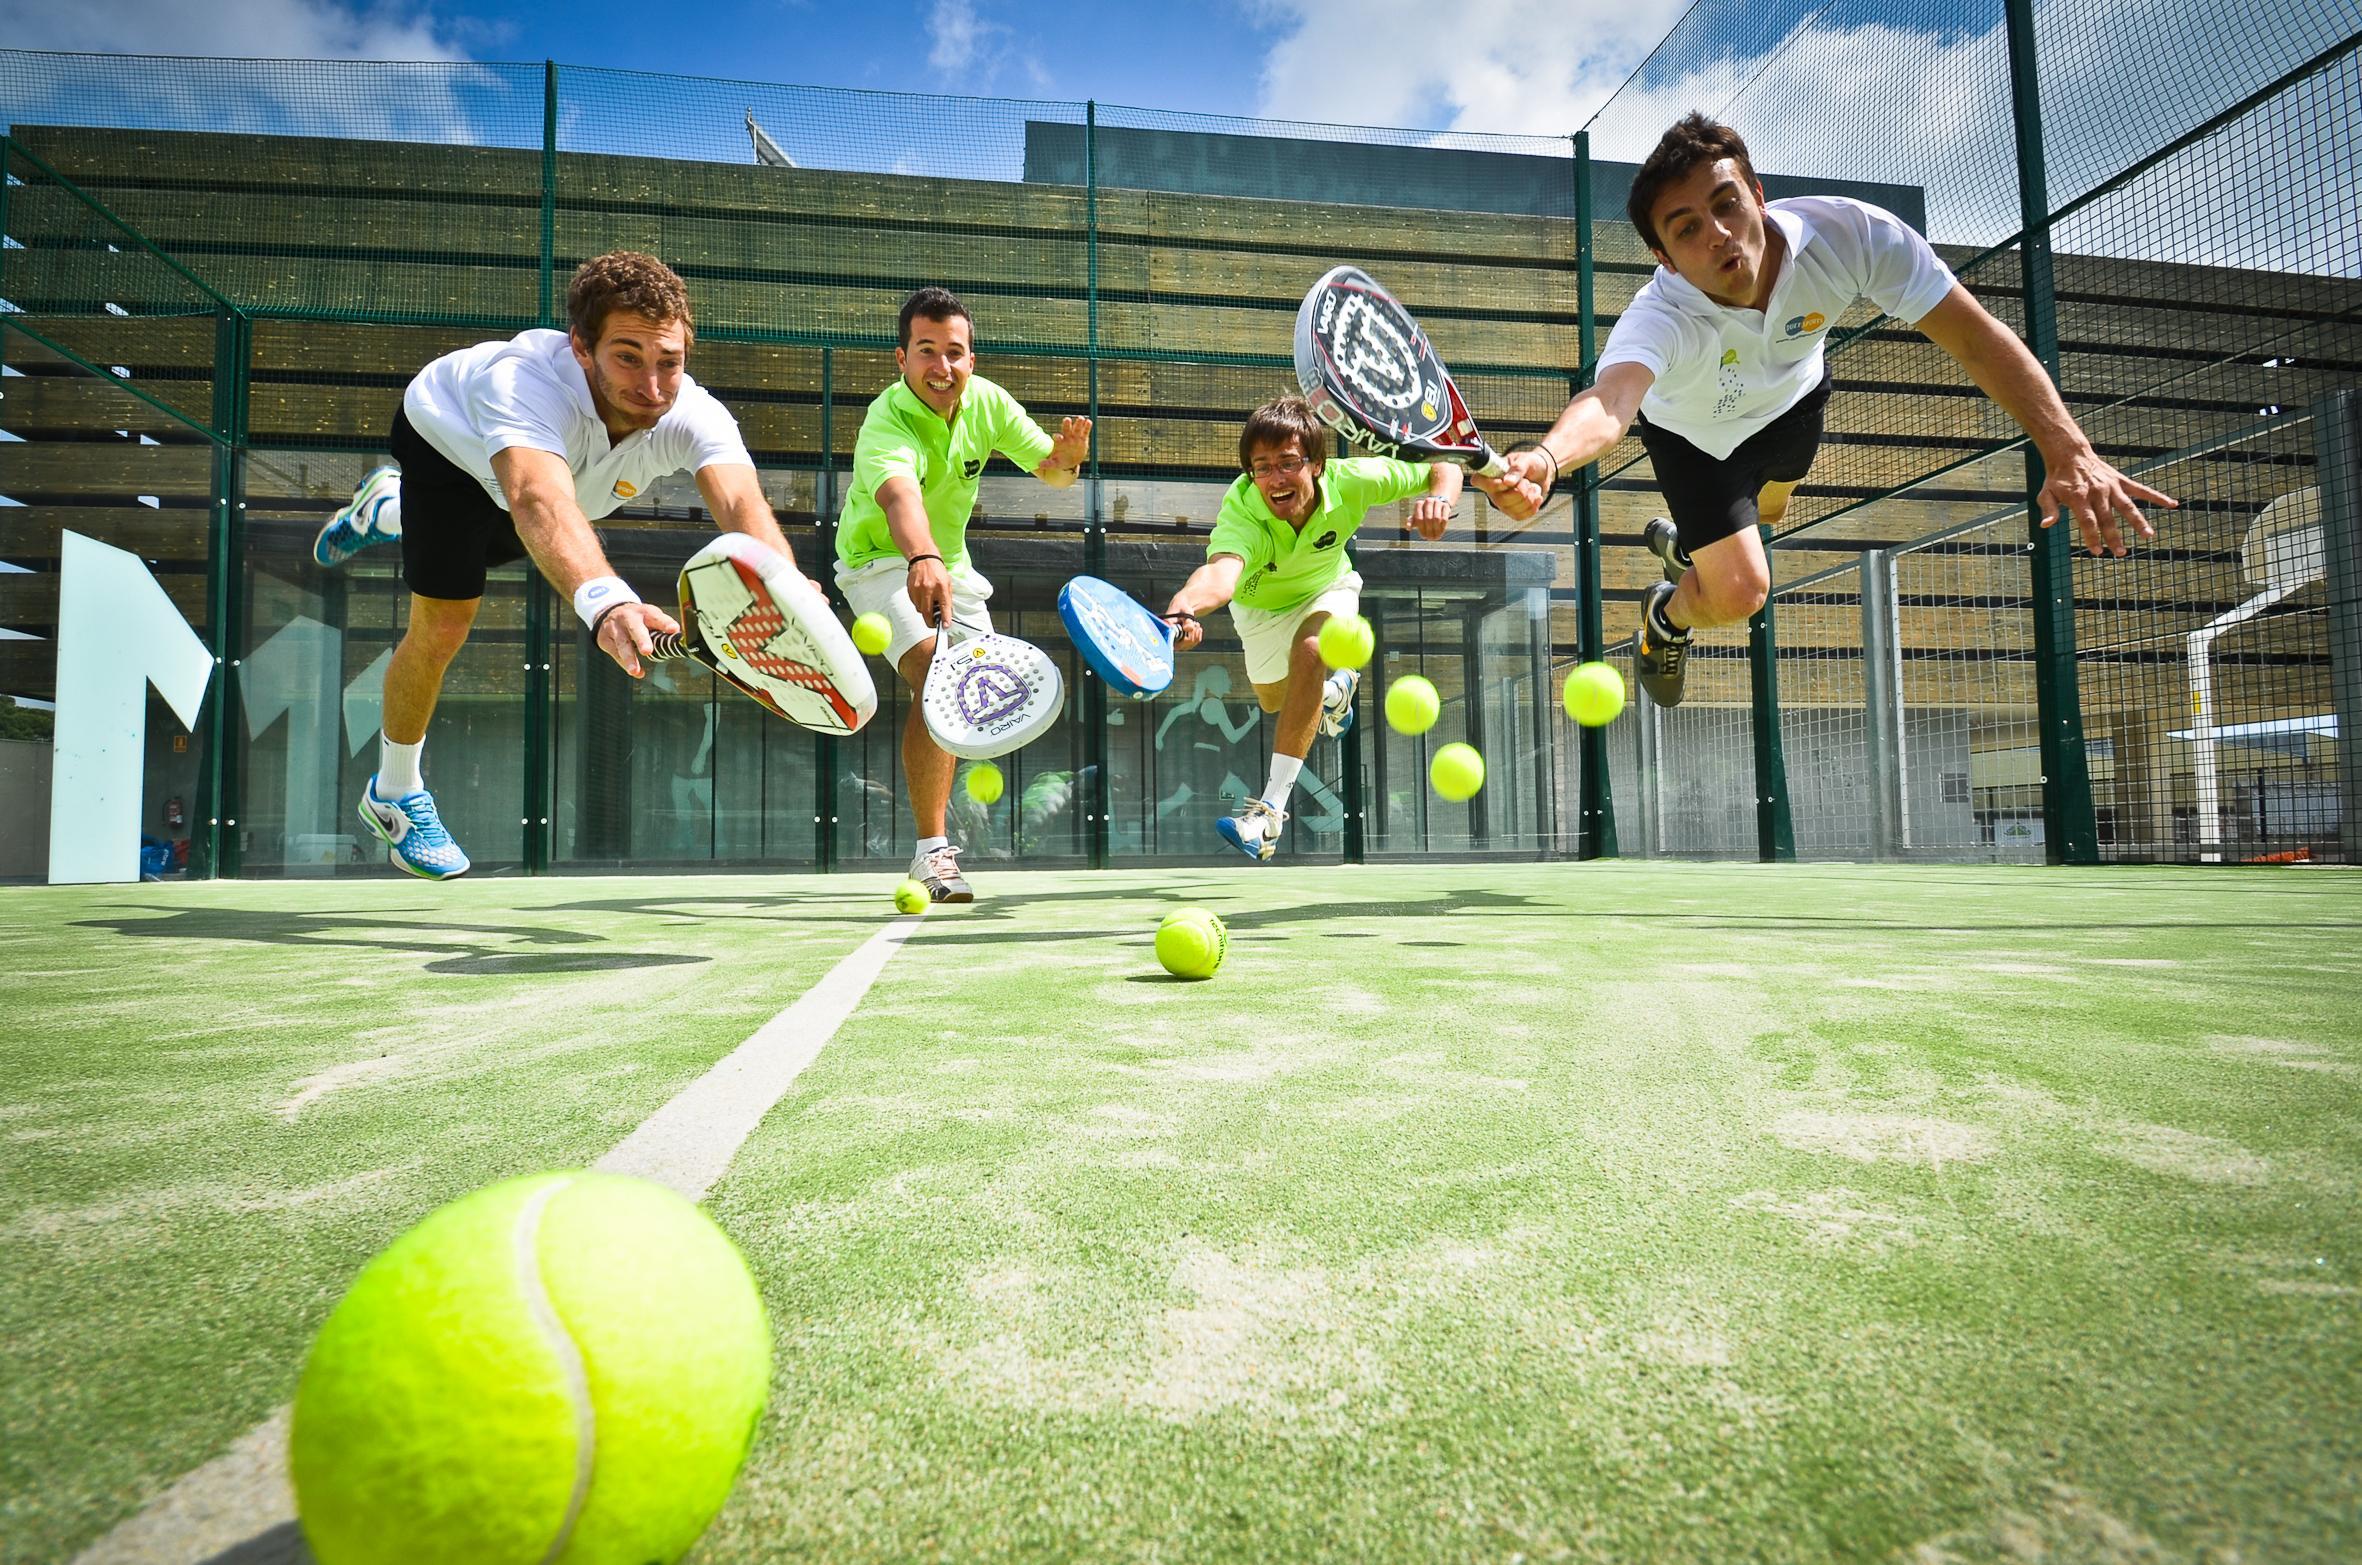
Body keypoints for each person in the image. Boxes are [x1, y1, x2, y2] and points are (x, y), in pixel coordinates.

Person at [1481, 113, 2174, 706]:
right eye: (1688, 229)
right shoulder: (1659, 317)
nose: (1718, 233)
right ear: (1663, 257)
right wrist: (1546, 457)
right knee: (1745, 590)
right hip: (1696, 442)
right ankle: (1669, 612)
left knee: (1770, 515)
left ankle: (1689, 545)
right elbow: (1611, 401)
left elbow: (1974, 336)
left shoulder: (1851, 236)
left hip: (1794, 406)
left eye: (1726, 203)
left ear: (1758, 193)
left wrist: (2069, 448)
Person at [311, 251, 809, 879]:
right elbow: (535, 498)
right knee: (444, 623)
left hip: (559, 486)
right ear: (581, 346)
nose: (652, 387)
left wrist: (785, 588)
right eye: (627, 356)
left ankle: (387, 508)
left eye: (670, 362)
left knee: (516, 541)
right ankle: (395, 793)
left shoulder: (692, 411)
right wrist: (608, 603)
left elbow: (742, 501)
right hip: (450, 447)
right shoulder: (521, 383)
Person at [834, 286, 1091, 903]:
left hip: (953, 569)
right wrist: (921, 557)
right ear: (902, 359)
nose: (941, 367)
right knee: (936, 675)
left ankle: (955, 815)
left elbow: (1051, 472)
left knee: (971, 696)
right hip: (877, 561)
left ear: (971, 360)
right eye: (927, 351)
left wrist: (1071, 459)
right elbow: (900, 497)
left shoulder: (989, 403)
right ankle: (932, 853)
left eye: (954, 352)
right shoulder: (885, 418)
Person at [1159, 395, 1463, 861]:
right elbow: (1220, 574)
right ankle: (1332, 694)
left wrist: (1440, 500)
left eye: (1287, 463)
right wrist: (1184, 608)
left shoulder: (1356, 480)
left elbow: (1444, 460)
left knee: (1312, 650)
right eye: (1261, 468)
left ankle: (1267, 816)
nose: (1274, 479)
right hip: (1259, 608)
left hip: (1328, 586)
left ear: (1317, 464)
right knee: (1275, 700)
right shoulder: (1242, 511)